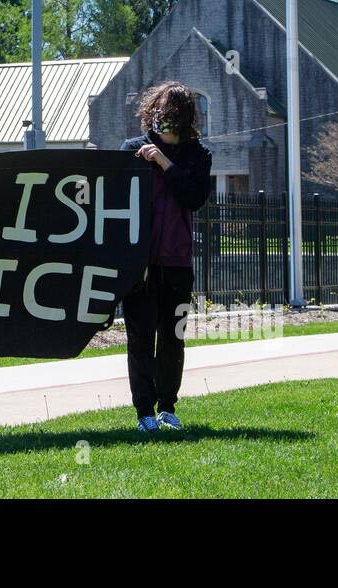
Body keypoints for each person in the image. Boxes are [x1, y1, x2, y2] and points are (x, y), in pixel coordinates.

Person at [120, 81, 213, 432]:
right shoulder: (132, 149)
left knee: (173, 337)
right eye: (160, 115)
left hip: (177, 263)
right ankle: (144, 412)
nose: (164, 123)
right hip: (139, 265)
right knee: (140, 338)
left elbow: (193, 197)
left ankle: (167, 407)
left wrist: (163, 162)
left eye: (172, 117)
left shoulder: (198, 156)